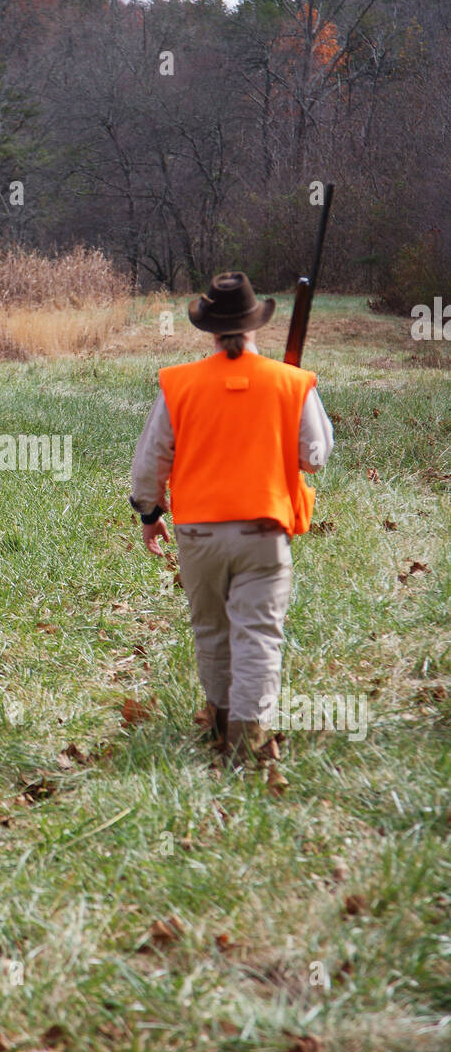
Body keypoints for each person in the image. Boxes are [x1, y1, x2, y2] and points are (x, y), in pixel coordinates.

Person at [129, 271, 334, 770]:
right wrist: (286, 398)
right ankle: (248, 742)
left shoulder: (179, 383)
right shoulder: (291, 382)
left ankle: (219, 723)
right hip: (264, 533)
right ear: (254, 326)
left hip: (197, 532)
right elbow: (315, 456)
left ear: (210, 331)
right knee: (258, 635)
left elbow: (151, 459)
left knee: (212, 632)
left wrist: (151, 512)